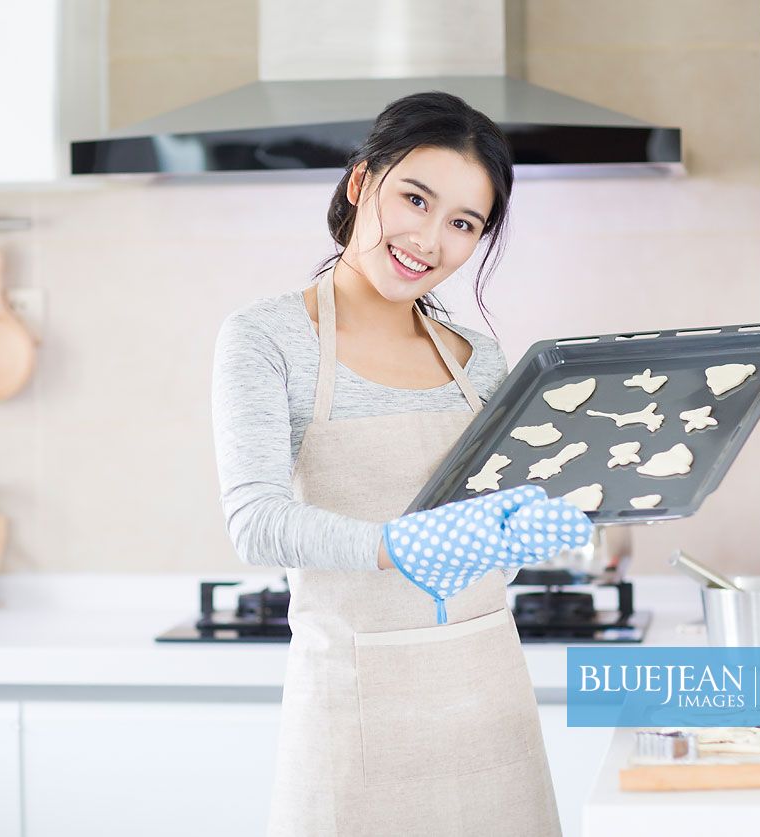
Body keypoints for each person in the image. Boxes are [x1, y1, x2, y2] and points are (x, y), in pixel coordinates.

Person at [212, 91, 585, 836]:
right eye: (415, 198)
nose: (429, 238)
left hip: (489, 711)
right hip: (353, 723)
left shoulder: (478, 361)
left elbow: (488, 544)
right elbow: (254, 521)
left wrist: (526, 529)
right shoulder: (266, 338)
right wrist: (392, 546)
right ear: (360, 183)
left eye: (462, 224)